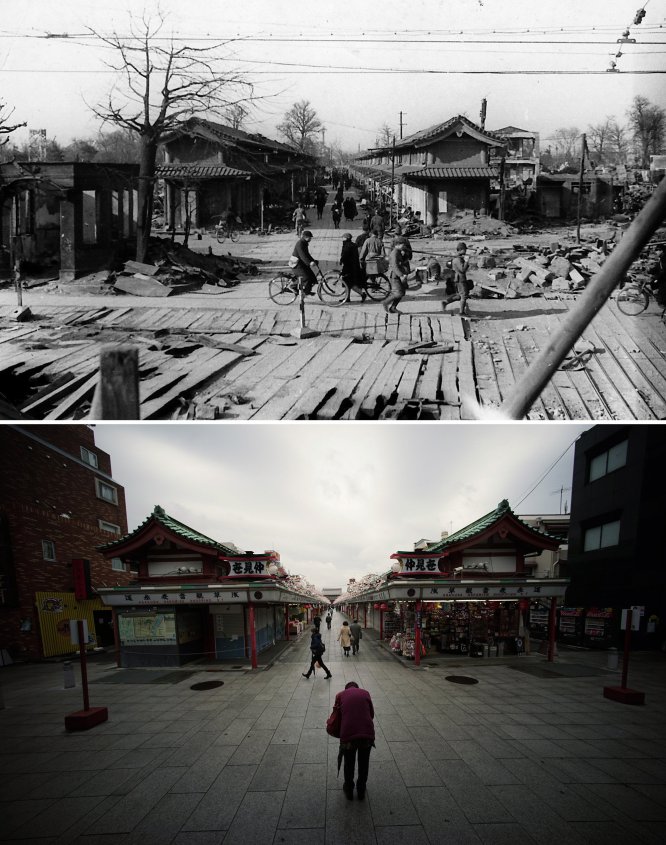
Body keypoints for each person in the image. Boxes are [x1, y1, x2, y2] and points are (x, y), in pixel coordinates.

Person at [335, 681, 375, 800]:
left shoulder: (340, 695)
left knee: (349, 763)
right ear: (357, 688)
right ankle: (361, 790)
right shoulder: (366, 693)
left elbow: (337, 717)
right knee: (364, 763)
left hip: (349, 736)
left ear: (346, 689)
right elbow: (371, 714)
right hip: (366, 735)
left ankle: (349, 790)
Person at [441, 241, 471, 316]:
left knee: (459, 296)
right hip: (460, 279)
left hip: (459, 279)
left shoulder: (460, 258)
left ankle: (446, 302)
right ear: (460, 250)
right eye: (465, 250)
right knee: (464, 295)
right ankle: (461, 312)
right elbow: (462, 269)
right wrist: (467, 262)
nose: (466, 251)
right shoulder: (457, 259)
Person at [384, 238, 411, 314]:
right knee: (398, 293)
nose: (404, 246)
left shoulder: (399, 252)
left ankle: (393, 308)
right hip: (395, 276)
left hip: (399, 275)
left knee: (402, 292)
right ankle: (386, 302)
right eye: (403, 245)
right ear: (398, 245)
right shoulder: (394, 253)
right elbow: (394, 266)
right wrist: (401, 275)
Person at [291, 230, 319, 296]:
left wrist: (313, 260)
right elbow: (302, 255)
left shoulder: (304, 243)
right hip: (296, 264)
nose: (310, 239)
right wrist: (309, 263)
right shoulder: (300, 244)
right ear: (305, 237)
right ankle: (292, 286)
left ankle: (307, 291)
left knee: (311, 276)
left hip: (301, 263)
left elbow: (307, 254)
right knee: (305, 277)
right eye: (309, 237)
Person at [340, 233, 366, 301]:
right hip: (354, 267)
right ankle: (347, 298)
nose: (343, 238)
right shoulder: (353, 245)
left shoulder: (347, 245)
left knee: (349, 283)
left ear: (347, 238)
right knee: (348, 283)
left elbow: (345, 255)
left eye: (344, 237)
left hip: (348, 267)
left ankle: (362, 294)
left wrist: (341, 260)